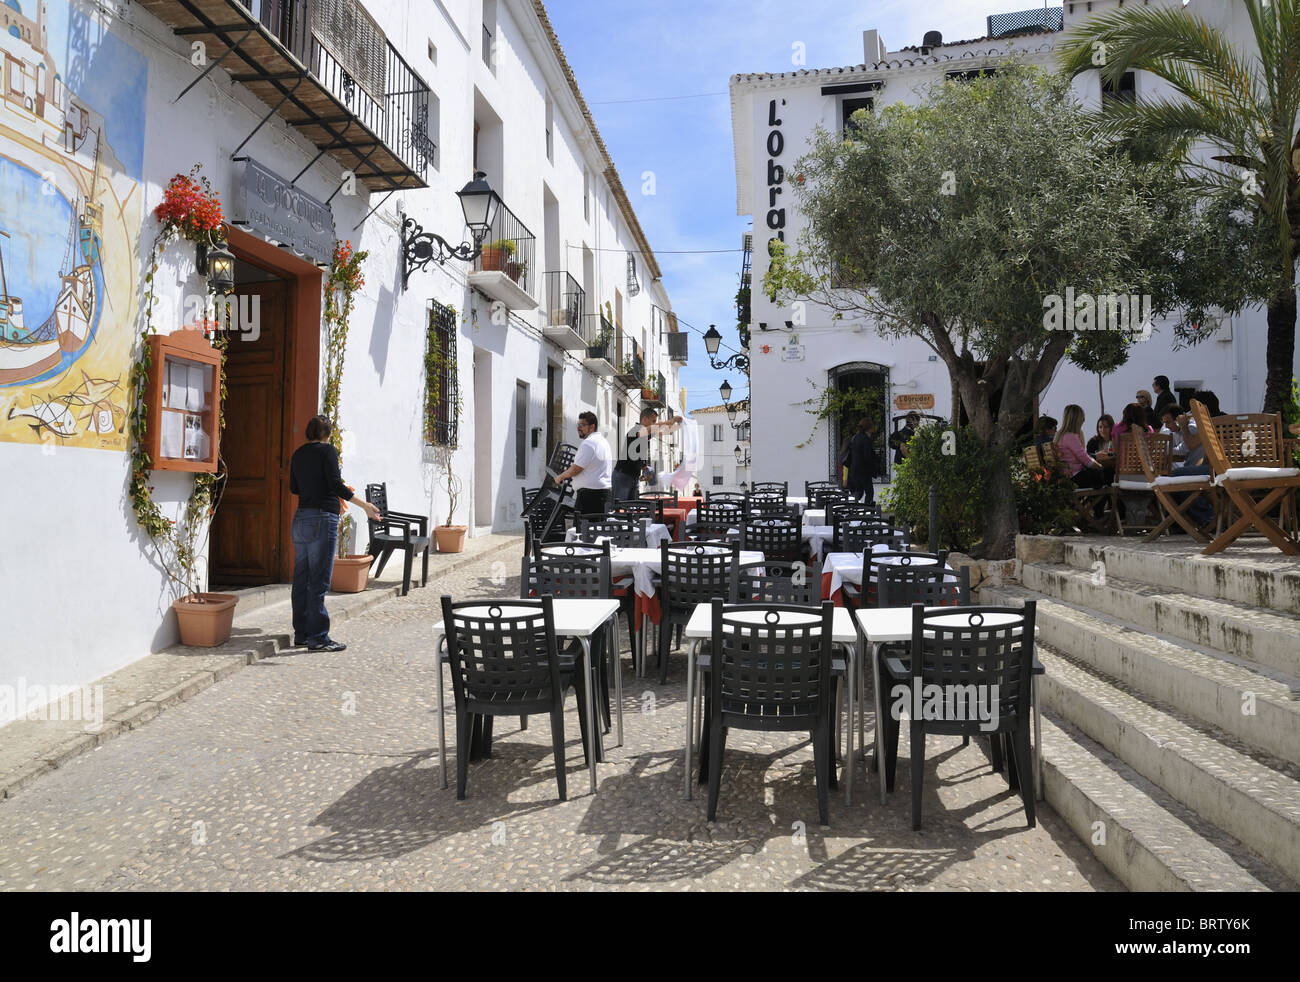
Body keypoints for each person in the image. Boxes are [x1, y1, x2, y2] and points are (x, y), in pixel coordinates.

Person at [289, 415, 382, 652]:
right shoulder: (328, 452)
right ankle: (318, 638)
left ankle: (301, 634)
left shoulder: (298, 454)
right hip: (322, 518)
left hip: (301, 518)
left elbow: (294, 488)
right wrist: (366, 506)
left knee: (301, 578)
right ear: (327, 434)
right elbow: (334, 484)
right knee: (319, 579)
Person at [555, 410, 613, 516]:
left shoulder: (589, 443)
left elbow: (576, 468)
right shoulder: (604, 442)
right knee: (598, 530)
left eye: (582, 425)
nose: (578, 428)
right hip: (603, 494)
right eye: (578, 424)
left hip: (589, 497)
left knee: (582, 531)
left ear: (592, 427)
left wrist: (560, 477)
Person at [613, 408, 669, 503]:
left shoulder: (644, 436)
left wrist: (644, 468)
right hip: (623, 475)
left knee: (631, 509)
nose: (654, 424)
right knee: (619, 509)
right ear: (644, 419)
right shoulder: (635, 431)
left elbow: (637, 455)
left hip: (633, 476)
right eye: (653, 421)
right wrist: (670, 421)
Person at [1054, 404, 1109, 490]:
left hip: (1066, 478)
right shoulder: (1071, 436)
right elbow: (1086, 460)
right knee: (1106, 474)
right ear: (1077, 420)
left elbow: (1082, 456)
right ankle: (1106, 502)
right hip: (1075, 478)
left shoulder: (1059, 435)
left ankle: (1095, 502)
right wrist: (1101, 466)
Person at [846, 417, 876, 504]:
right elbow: (867, 456)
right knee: (869, 493)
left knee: (858, 492)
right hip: (864, 470)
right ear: (869, 427)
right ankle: (867, 511)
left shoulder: (855, 438)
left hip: (854, 470)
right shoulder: (866, 439)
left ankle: (852, 509)